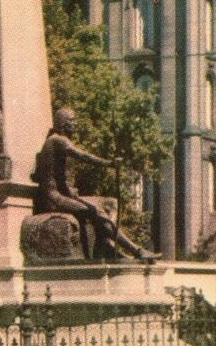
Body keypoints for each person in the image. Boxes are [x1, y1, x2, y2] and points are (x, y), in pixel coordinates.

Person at [32, 108, 158, 262]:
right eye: (72, 120)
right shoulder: (57, 140)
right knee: (96, 212)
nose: (75, 123)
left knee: (109, 204)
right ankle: (137, 250)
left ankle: (109, 247)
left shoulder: (59, 140)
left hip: (65, 195)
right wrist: (109, 163)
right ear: (63, 123)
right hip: (54, 198)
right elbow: (83, 156)